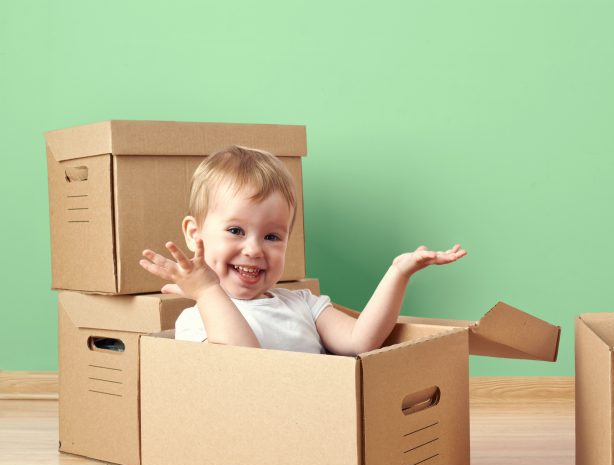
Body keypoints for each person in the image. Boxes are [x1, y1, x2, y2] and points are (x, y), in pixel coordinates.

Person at [139, 145, 466, 355]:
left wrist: (398, 273)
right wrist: (207, 291)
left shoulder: (303, 305)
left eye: (272, 237)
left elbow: (361, 342)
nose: (254, 249)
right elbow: (240, 368)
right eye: (236, 231)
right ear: (194, 234)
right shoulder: (197, 319)